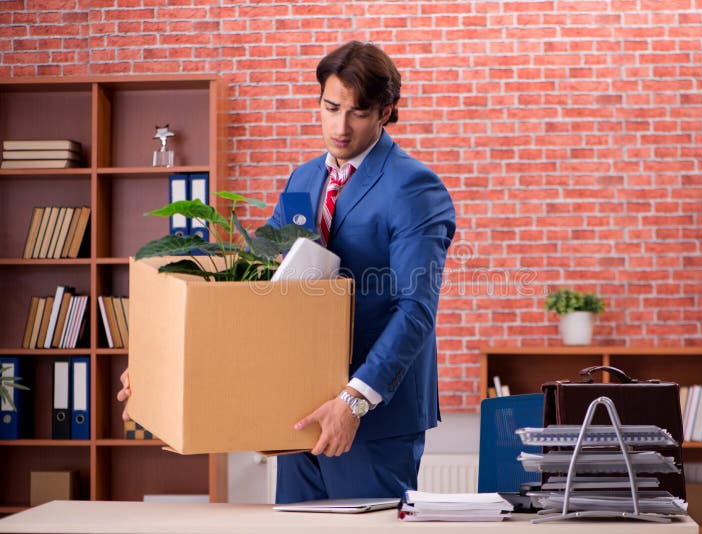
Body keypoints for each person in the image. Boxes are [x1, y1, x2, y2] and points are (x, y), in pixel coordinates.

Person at [118, 40, 456, 503]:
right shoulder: (304, 179)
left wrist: (353, 401)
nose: (340, 126)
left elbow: (415, 310)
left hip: (371, 419)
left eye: (357, 113)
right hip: (297, 407)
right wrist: (161, 365)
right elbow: (259, 285)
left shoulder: (413, 187)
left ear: (385, 112)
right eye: (331, 107)